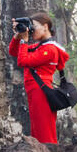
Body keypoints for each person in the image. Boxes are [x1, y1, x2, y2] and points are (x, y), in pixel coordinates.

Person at [9, 11, 69, 144]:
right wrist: (18, 36)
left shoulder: (50, 50)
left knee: (44, 129)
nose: (31, 30)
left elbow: (22, 62)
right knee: (37, 129)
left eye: (34, 26)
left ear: (45, 27)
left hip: (41, 91)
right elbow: (14, 52)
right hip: (35, 91)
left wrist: (24, 40)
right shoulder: (39, 47)